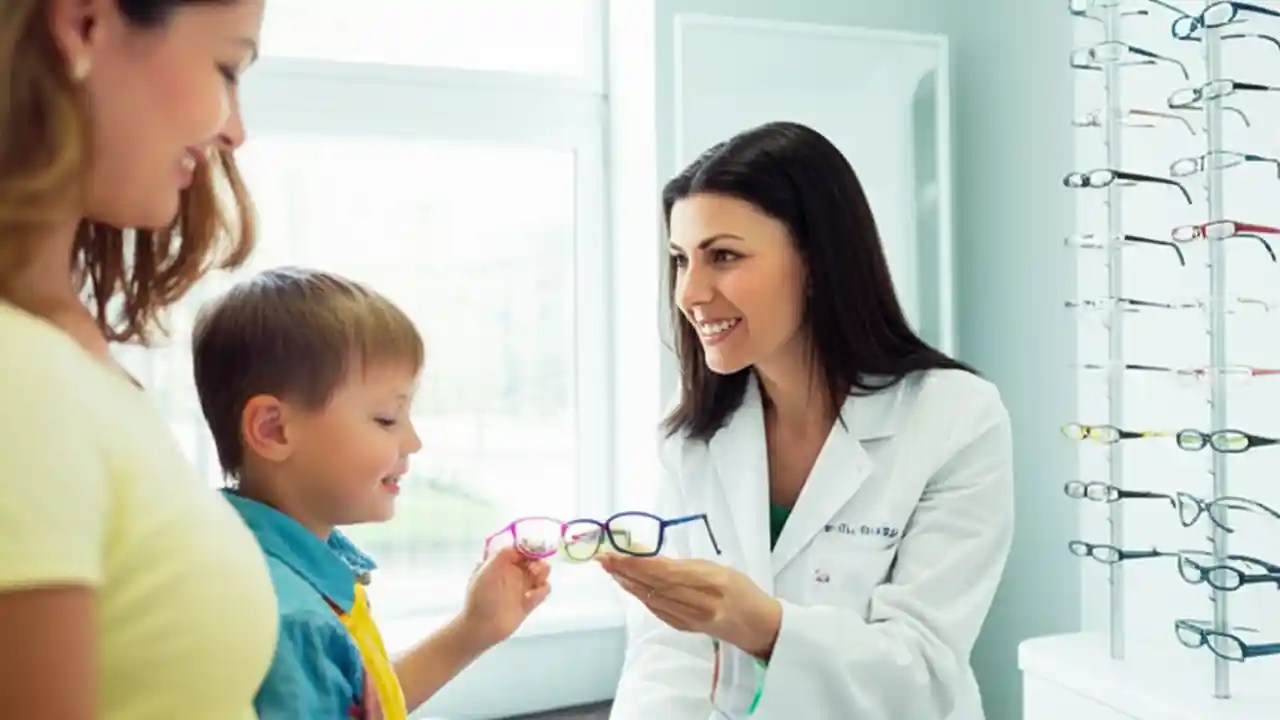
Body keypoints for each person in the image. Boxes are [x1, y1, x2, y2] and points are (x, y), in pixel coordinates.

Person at [602, 121, 1014, 720]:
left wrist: (763, 626)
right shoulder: (693, 433)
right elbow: (668, 654)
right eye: (680, 259)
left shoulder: (955, 418)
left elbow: (923, 673)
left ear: (818, 260)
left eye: (724, 256)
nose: (690, 292)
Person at [0, 1, 276, 718]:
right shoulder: (20, 380)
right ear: (84, 23)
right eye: (227, 67)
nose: (235, 132)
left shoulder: (66, 362)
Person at [191, 266, 552, 719]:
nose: (413, 442)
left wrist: (473, 630)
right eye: (387, 419)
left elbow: (353, 703)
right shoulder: (290, 622)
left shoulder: (265, 563)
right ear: (274, 429)